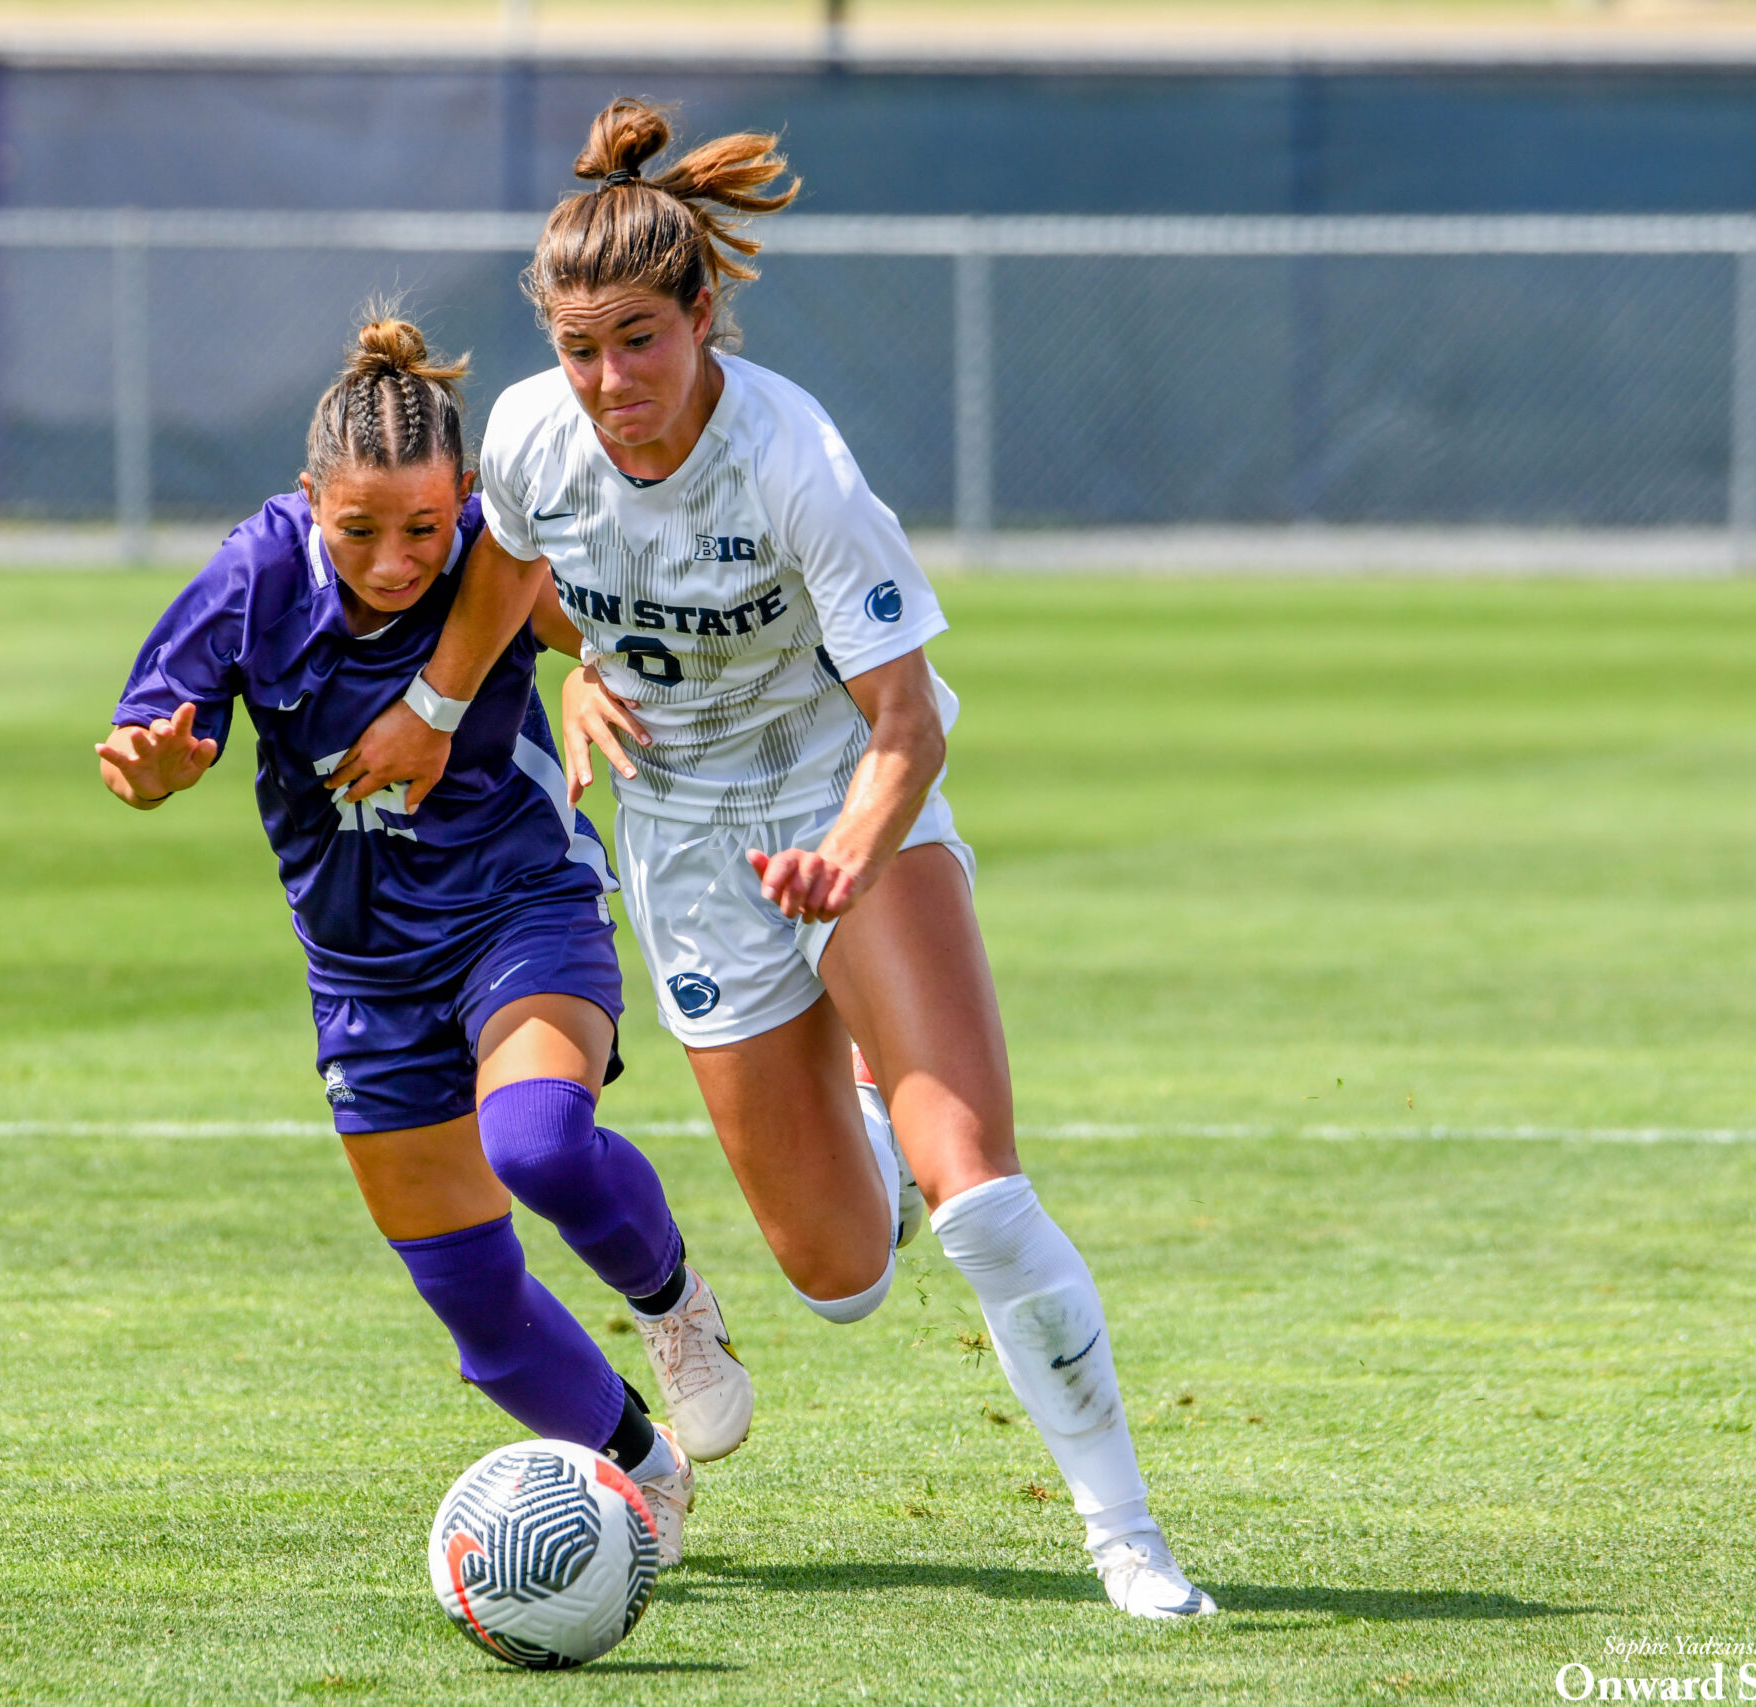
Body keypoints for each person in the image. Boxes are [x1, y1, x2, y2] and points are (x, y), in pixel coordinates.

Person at [344, 101, 1218, 1618]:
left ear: (701, 317)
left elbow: (905, 719)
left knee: (983, 1199)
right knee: (838, 1272)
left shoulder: (793, 456)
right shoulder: (539, 440)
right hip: (683, 834)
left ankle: (1127, 1535)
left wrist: (849, 856)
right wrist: (512, 679)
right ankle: (870, 1111)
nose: (610, 382)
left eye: (638, 339)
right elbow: (507, 566)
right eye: (579, 347)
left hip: (841, 791)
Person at [93, 314, 754, 1566]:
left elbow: (606, 628)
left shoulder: (494, 553)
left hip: (518, 908)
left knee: (538, 1142)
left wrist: (589, 672)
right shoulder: (253, 578)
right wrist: (158, 771)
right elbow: (136, 757)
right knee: (477, 1314)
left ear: (466, 502)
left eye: (423, 528)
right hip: (360, 974)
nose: (395, 560)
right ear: (307, 504)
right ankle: (642, 1476)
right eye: (359, 531)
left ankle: (674, 1307)